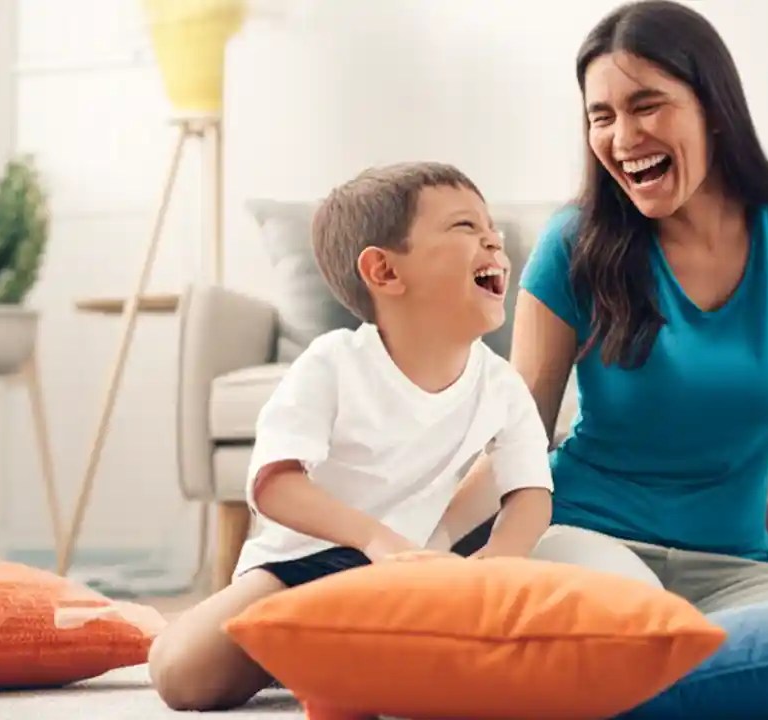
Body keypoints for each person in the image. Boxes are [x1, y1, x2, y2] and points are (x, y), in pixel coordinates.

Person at [454, 0, 768, 682]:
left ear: (714, 107)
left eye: (647, 106)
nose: (623, 136)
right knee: (631, 623)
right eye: (602, 116)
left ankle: (683, 660)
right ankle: (701, 661)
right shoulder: (573, 242)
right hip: (583, 542)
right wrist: (408, 544)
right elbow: (518, 439)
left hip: (735, 570)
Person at [146, 162, 648, 711]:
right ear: (384, 271)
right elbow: (275, 485)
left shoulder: (502, 386)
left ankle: (332, 659)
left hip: (411, 579)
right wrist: (376, 541)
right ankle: (255, 641)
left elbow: (529, 492)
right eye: (465, 227)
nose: (494, 241)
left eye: (493, 230)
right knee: (184, 675)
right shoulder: (333, 363)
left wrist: (495, 564)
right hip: (304, 567)